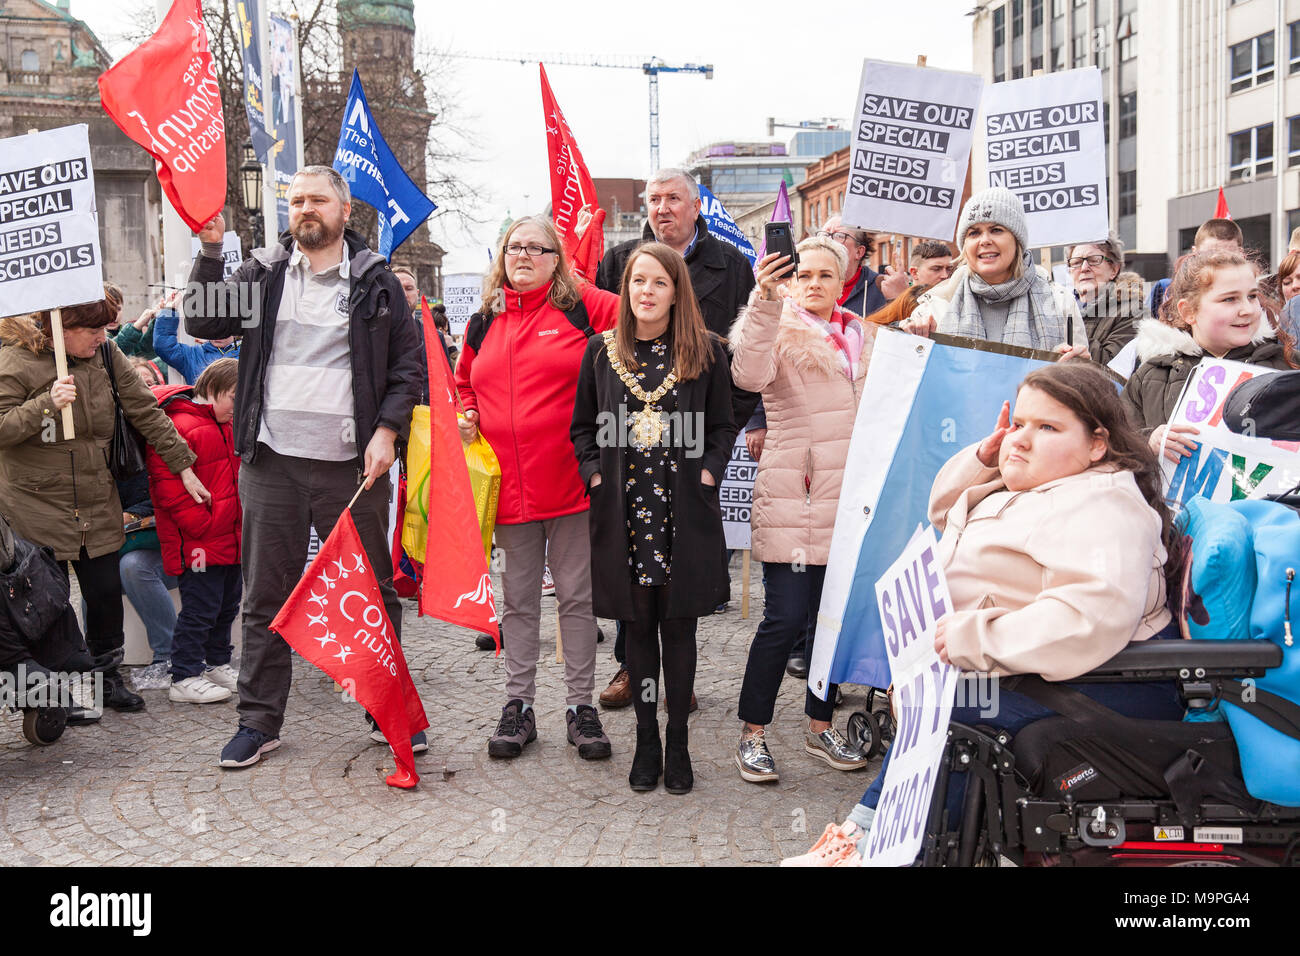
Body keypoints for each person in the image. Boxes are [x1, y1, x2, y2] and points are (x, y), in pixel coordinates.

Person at [784, 362, 1182, 866]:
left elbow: (1090, 618)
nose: (1022, 438)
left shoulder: (1104, 504)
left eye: (1048, 428)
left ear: (1097, 444)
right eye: (1020, 423)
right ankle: (868, 838)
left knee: (952, 715)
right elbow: (946, 510)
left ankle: (884, 848)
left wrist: (975, 637)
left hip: (1108, 688)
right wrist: (986, 456)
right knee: (942, 705)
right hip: (1057, 673)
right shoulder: (1044, 482)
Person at [185, 166, 424, 768]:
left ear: (345, 210)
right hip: (273, 464)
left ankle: (383, 705)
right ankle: (258, 721)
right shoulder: (263, 274)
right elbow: (204, 320)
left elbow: (408, 368)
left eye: (318, 200)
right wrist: (212, 250)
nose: (305, 210)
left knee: (371, 590)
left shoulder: (375, 282)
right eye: (296, 202)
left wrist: (388, 432)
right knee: (265, 596)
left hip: (353, 467)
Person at [571, 242, 736, 793]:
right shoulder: (600, 352)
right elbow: (582, 429)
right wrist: (595, 475)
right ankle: (646, 737)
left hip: (681, 511)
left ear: (676, 291)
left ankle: (680, 738)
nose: (646, 291)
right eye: (638, 281)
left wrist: (710, 472)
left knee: (679, 628)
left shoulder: (706, 351)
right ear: (627, 290)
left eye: (659, 282)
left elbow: (721, 426)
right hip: (624, 515)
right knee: (637, 629)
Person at [456, 215, 619, 761]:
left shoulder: (583, 305)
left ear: (558, 258)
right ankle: (518, 707)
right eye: (513, 246)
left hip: (572, 485)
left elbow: (646, 319)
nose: (522, 255)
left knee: (577, 599)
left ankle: (580, 709)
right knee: (518, 604)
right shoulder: (483, 320)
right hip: (506, 492)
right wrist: (468, 413)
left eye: (536, 247)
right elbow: (462, 384)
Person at [0, 293, 210, 713]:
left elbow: (146, 411)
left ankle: (104, 679)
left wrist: (183, 465)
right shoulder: (13, 360)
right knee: (46, 602)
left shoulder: (107, 355)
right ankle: (58, 692)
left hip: (96, 499)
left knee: (104, 592)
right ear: (63, 330)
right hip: (34, 504)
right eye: (93, 330)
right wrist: (46, 405)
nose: (103, 337)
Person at [595, 168, 757, 707]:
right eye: (654, 199)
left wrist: (715, 451)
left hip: (688, 451)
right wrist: (596, 468)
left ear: (695, 207)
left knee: (681, 572)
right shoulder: (619, 261)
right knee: (631, 569)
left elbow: (745, 354)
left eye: (674, 199)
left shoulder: (731, 266)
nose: (662, 208)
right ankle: (631, 671)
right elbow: (597, 346)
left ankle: (678, 683)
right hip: (628, 453)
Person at [729, 235, 877, 783]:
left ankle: (819, 727)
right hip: (797, 496)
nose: (814, 284)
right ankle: (753, 734)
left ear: (844, 282)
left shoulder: (863, 336)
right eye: (804, 275)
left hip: (851, 503)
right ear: (789, 280)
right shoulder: (776, 328)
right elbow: (746, 375)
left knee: (830, 623)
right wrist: (765, 298)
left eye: (825, 276)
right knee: (783, 619)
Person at [1123, 251, 1295, 463]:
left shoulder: (1286, 364)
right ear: (1188, 311)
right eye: (1230, 299)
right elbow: (1115, 445)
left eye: (1251, 296)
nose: (1247, 309)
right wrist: (1148, 442)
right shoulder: (1150, 376)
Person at [146, 358, 243, 705]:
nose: (239, 405)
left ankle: (217, 662)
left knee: (226, 605)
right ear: (213, 389)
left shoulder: (228, 423)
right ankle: (184, 674)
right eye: (234, 396)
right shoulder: (180, 425)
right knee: (200, 609)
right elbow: (167, 485)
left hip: (230, 537)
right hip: (200, 541)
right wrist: (203, 524)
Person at [902, 187, 1087, 356]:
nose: (984, 240)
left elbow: (1084, 384)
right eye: (974, 233)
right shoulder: (935, 309)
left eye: (996, 230)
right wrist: (911, 343)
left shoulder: (1059, 303)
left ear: (1017, 241)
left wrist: (1072, 370)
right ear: (965, 245)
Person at [1066, 234, 1146, 365]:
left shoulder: (1133, 312)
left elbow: (1112, 368)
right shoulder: (1060, 308)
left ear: (1114, 269)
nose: (1084, 268)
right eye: (1076, 262)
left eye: (1094, 260)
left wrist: (1068, 329)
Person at [1148, 218, 1244, 318]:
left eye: (1226, 257)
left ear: (1241, 254)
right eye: (1208, 255)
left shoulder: (1254, 293)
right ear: (1194, 252)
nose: (1217, 263)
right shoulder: (1166, 290)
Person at [817, 216, 909, 316]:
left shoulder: (882, 288)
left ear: (859, 252)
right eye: (824, 234)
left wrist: (898, 299)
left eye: (839, 236)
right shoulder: (804, 284)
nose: (828, 240)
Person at [153, 293, 239, 385]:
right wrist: (169, 310)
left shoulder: (250, 353)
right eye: (212, 326)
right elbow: (163, 346)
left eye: (224, 327)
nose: (217, 334)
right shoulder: (194, 355)